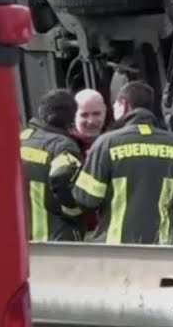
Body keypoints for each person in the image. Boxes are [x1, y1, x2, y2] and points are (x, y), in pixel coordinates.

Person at [71, 80, 173, 244]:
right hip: (161, 244)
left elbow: (88, 198)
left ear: (124, 104)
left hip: (117, 245)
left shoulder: (107, 143)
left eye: (115, 105)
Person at [19, 89, 87, 241]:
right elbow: (62, 177)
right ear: (71, 117)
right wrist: (74, 212)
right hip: (54, 238)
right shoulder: (62, 145)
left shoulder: (21, 139)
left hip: (22, 236)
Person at [70, 87, 108, 238]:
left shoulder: (114, 142)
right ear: (73, 116)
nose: (91, 121)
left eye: (96, 114)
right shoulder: (66, 147)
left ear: (105, 111)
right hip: (80, 232)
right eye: (84, 115)